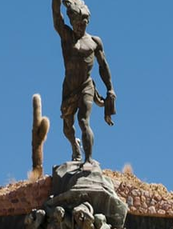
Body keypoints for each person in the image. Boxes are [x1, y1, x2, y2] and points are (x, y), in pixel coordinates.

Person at [52, 0, 115, 164]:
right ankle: (75, 146)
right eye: (77, 24)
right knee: (67, 127)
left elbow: (103, 66)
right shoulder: (66, 35)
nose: (80, 27)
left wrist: (110, 89)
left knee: (83, 120)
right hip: (69, 88)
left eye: (83, 24)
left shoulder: (94, 42)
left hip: (86, 86)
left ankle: (88, 160)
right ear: (72, 22)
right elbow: (56, 16)